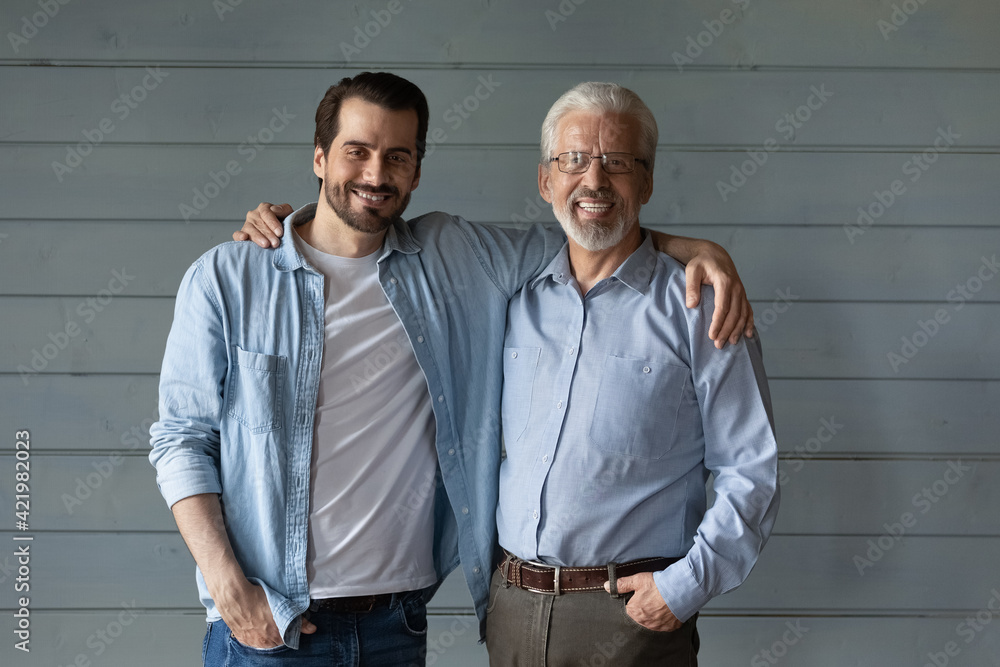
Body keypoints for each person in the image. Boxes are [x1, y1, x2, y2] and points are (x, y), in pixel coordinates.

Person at [152, 72, 752, 666]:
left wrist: (700, 250)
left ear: (416, 171)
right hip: (272, 625)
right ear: (319, 157)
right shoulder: (229, 277)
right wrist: (230, 591)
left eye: (397, 156)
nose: (375, 174)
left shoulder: (455, 256)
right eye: (357, 151)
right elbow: (181, 440)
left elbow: (594, 228)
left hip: (396, 625)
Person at [481, 82, 779, 666]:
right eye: (573, 160)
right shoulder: (511, 297)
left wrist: (684, 587)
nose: (593, 180)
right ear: (545, 180)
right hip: (513, 607)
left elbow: (751, 466)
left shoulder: (700, 306)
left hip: (629, 616)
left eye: (617, 162)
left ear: (646, 183)